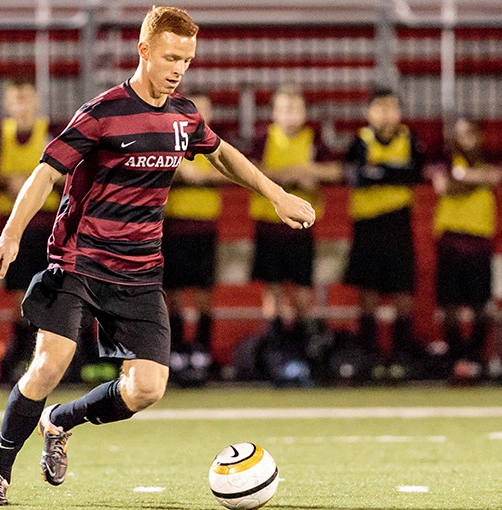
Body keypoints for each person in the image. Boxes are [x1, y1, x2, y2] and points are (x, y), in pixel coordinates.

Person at [0, 6, 315, 506]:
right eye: (171, 57)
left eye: (188, 59)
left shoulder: (183, 115)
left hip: (139, 271)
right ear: (144, 51)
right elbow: (46, 172)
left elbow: (221, 153)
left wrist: (275, 193)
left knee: (147, 389)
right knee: (51, 364)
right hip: (80, 260)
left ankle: (60, 421)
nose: (179, 68)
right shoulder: (103, 112)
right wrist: (10, 235)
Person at [249, 85, 339, 356]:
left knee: (302, 290)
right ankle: (275, 342)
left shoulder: (313, 139)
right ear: (275, 112)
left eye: (296, 108)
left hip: (302, 227)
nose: (291, 115)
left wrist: (310, 174)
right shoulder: (264, 137)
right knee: (272, 288)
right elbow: (250, 169)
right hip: (269, 224)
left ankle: (303, 345)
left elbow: (334, 170)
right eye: (285, 108)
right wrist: (289, 175)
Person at [343, 89, 424, 377]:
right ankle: (370, 354)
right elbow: (356, 177)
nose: (386, 114)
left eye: (392, 108)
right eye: (380, 108)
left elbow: (415, 174)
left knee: (403, 292)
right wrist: (392, 173)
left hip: (398, 223)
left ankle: (401, 355)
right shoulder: (360, 141)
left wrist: (380, 172)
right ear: (369, 113)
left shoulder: (410, 140)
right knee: (368, 292)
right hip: (367, 225)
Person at [0, 76, 59, 383]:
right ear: (7, 104)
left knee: (54, 295)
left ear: (37, 100)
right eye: (16, 99)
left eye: (26, 98)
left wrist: (32, 182)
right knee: (20, 297)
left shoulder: (51, 134)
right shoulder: (0, 135)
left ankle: (55, 359)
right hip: (15, 228)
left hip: (49, 226)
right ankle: (24, 358)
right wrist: (6, 180)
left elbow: (72, 171)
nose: (22, 106)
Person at [161, 91, 227, 383]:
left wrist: (203, 178)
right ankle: (174, 351)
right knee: (172, 294)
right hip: (173, 227)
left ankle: (201, 351)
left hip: (205, 228)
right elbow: (157, 170)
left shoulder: (217, 145)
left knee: (203, 294)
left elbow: (233, 171)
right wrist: (182, 176)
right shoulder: (169, 141)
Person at [431, 119, 502, 382]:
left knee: (480, 305)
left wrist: (466, 178)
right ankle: (455, 355)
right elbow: (445, 186)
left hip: (480, 240)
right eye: (460, 134)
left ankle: (474, 357)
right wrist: (475, 179)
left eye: (471, 134)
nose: (466, 139)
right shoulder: (444, 161)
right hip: (451, 239)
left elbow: (496, 176)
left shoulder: (487, 160)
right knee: (449, 305)